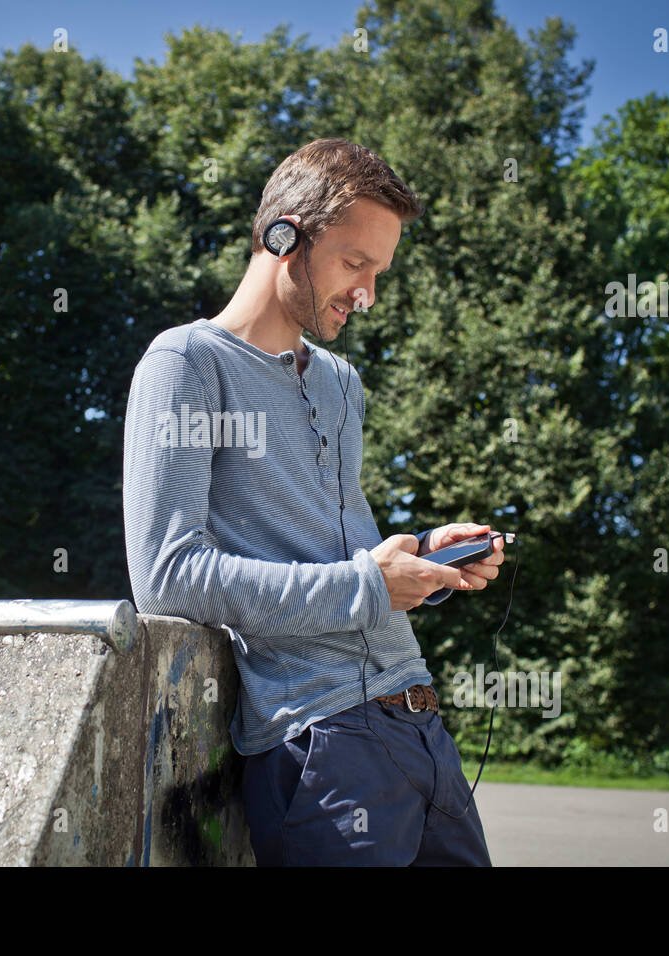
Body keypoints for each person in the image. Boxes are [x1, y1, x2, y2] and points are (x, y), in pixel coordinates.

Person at [122, 138, 505, 866]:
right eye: (355, 264)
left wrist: (421, 560)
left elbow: (334, 555)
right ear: (283, 236)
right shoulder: (187, 365)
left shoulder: (340, 382)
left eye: (379, 272)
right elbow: (168, 573)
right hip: (323, 745)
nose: (368, 293)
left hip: (421, 726)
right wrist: (369, 585)